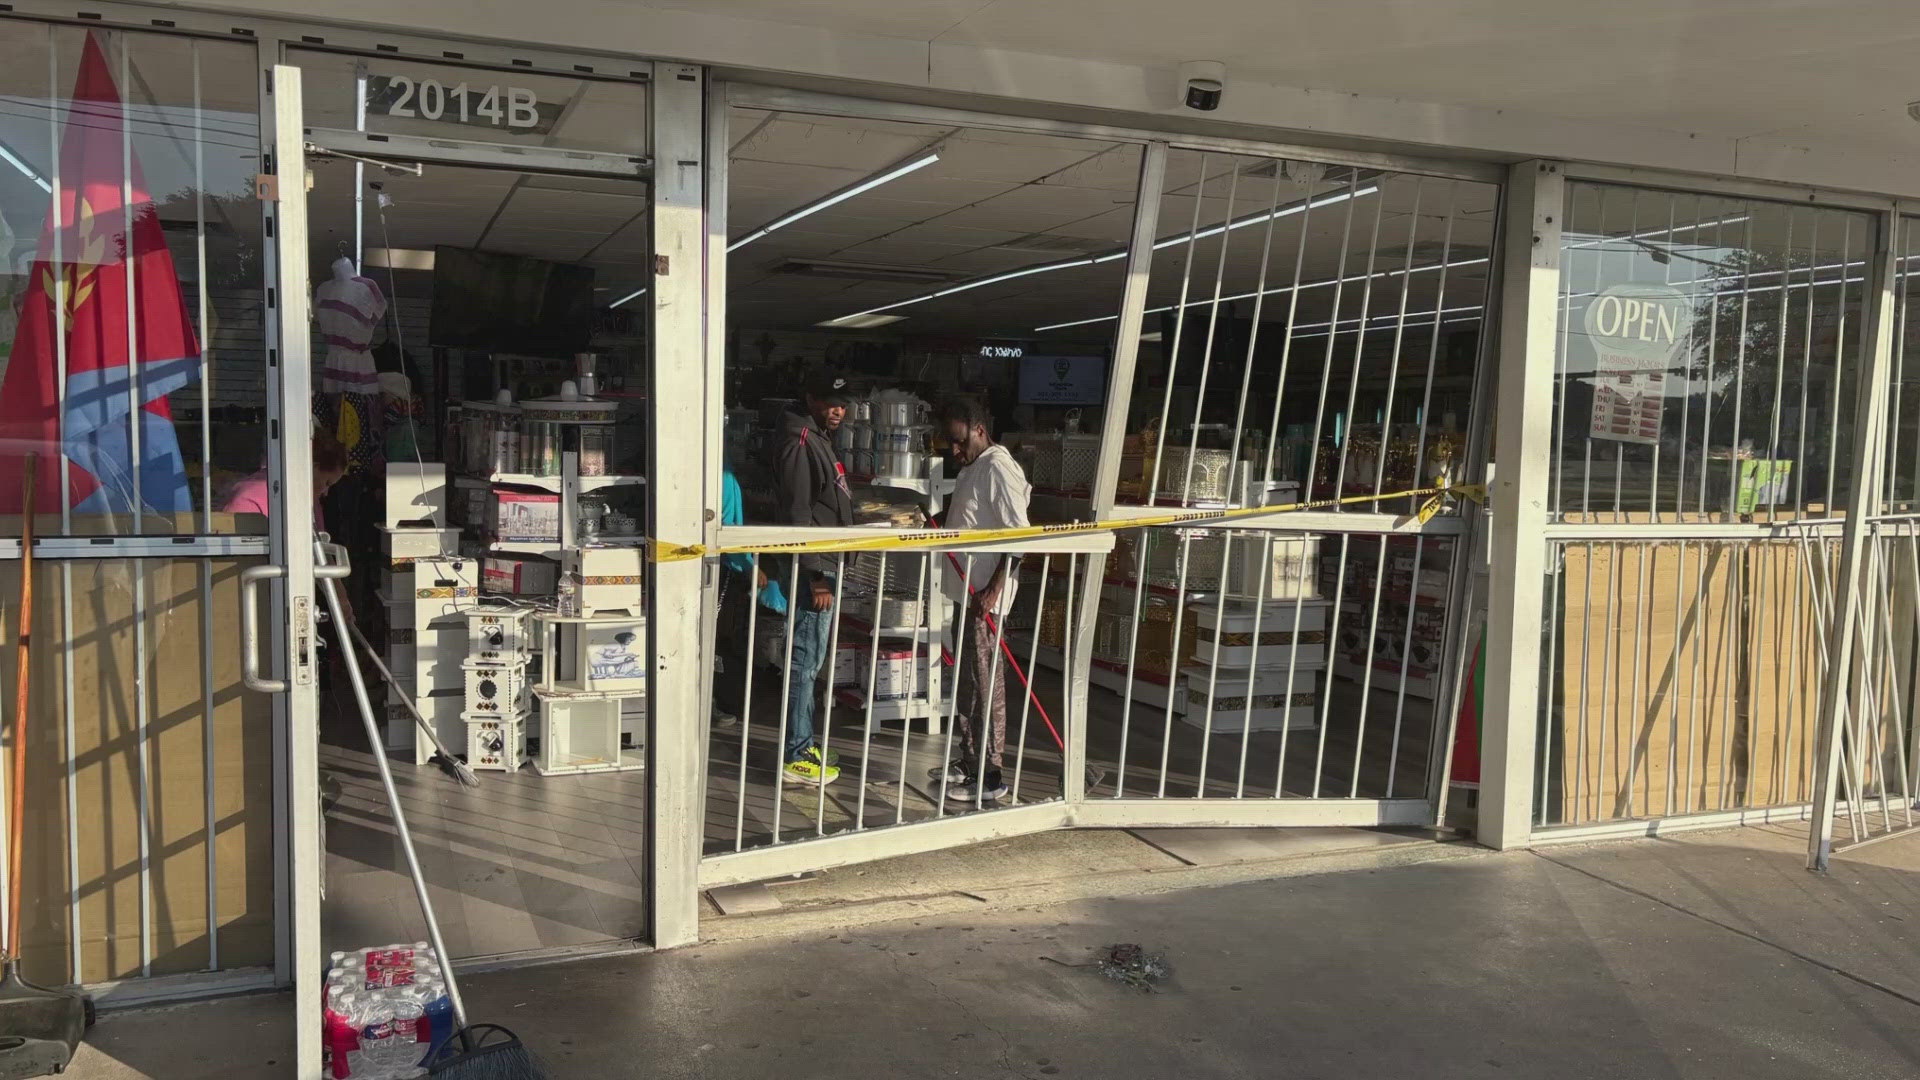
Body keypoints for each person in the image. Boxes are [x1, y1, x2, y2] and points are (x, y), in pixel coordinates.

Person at [932, 395, 1032, 805]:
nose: (954, 451)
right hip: (966, 592)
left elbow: (1020, 534)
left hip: (984, 598)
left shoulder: (998, 467)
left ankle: (992, 774)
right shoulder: (975, 466)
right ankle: (970, 759)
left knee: (985, 683)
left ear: (979, 430)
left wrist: (993, 589)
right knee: (967, 681)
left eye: (958, 441)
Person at [769, 373, 855, 784]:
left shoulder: (817, 437)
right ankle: (796, 754)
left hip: (820, 563)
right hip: (812, 568)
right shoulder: (800, 440)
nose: (837, 410)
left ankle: (803, 740)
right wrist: (815, 574)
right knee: (804, 661)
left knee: (811, 659)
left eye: (843, 403)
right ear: (810, 398)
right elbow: (797, 514)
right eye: (829, 402)